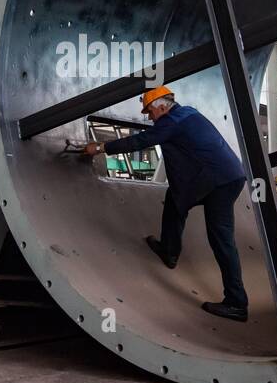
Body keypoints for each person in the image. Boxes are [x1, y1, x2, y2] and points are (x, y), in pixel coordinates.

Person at [78, 86, 250, 321]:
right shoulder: (188, 113)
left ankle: (235, 303)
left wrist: (99, 147)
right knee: (183, 207)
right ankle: (173, 253)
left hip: (215, 180)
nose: (149, 117)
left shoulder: (170, 122)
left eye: (149, 112)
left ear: (161, 105)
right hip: (230, 176)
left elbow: (140, 141)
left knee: (211, 232)